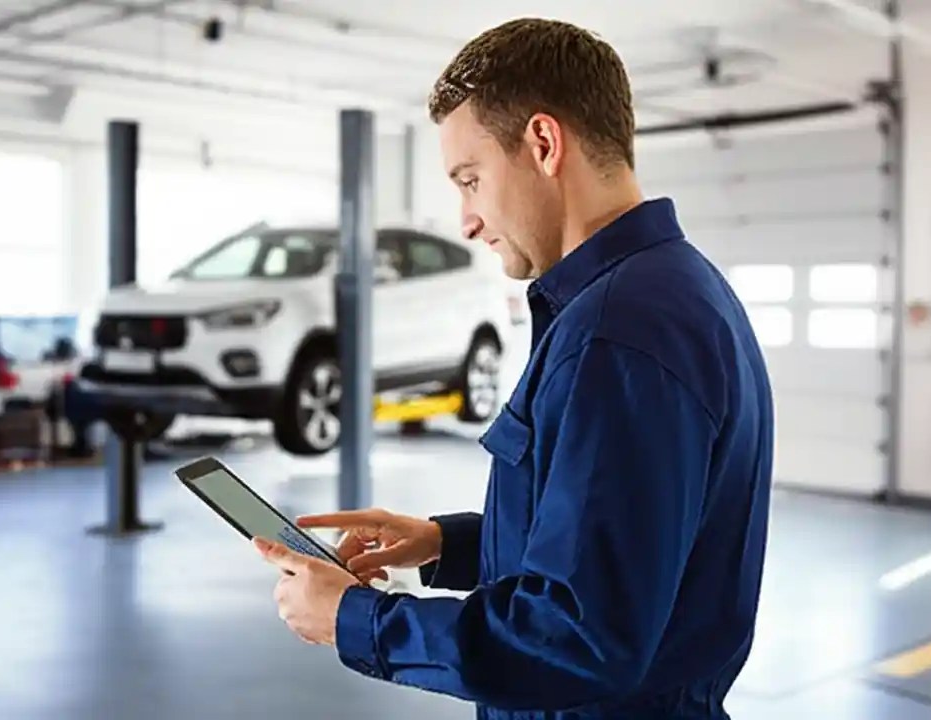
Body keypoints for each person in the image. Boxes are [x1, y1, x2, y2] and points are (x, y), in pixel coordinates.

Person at [253, 17, 774, 720]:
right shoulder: (671, 289)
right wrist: (446, 544)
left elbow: (575, 637)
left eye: (470, 180)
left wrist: (355, 618)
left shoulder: (617, 332)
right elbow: (624, 547)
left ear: (543, 143)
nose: (466, 219)